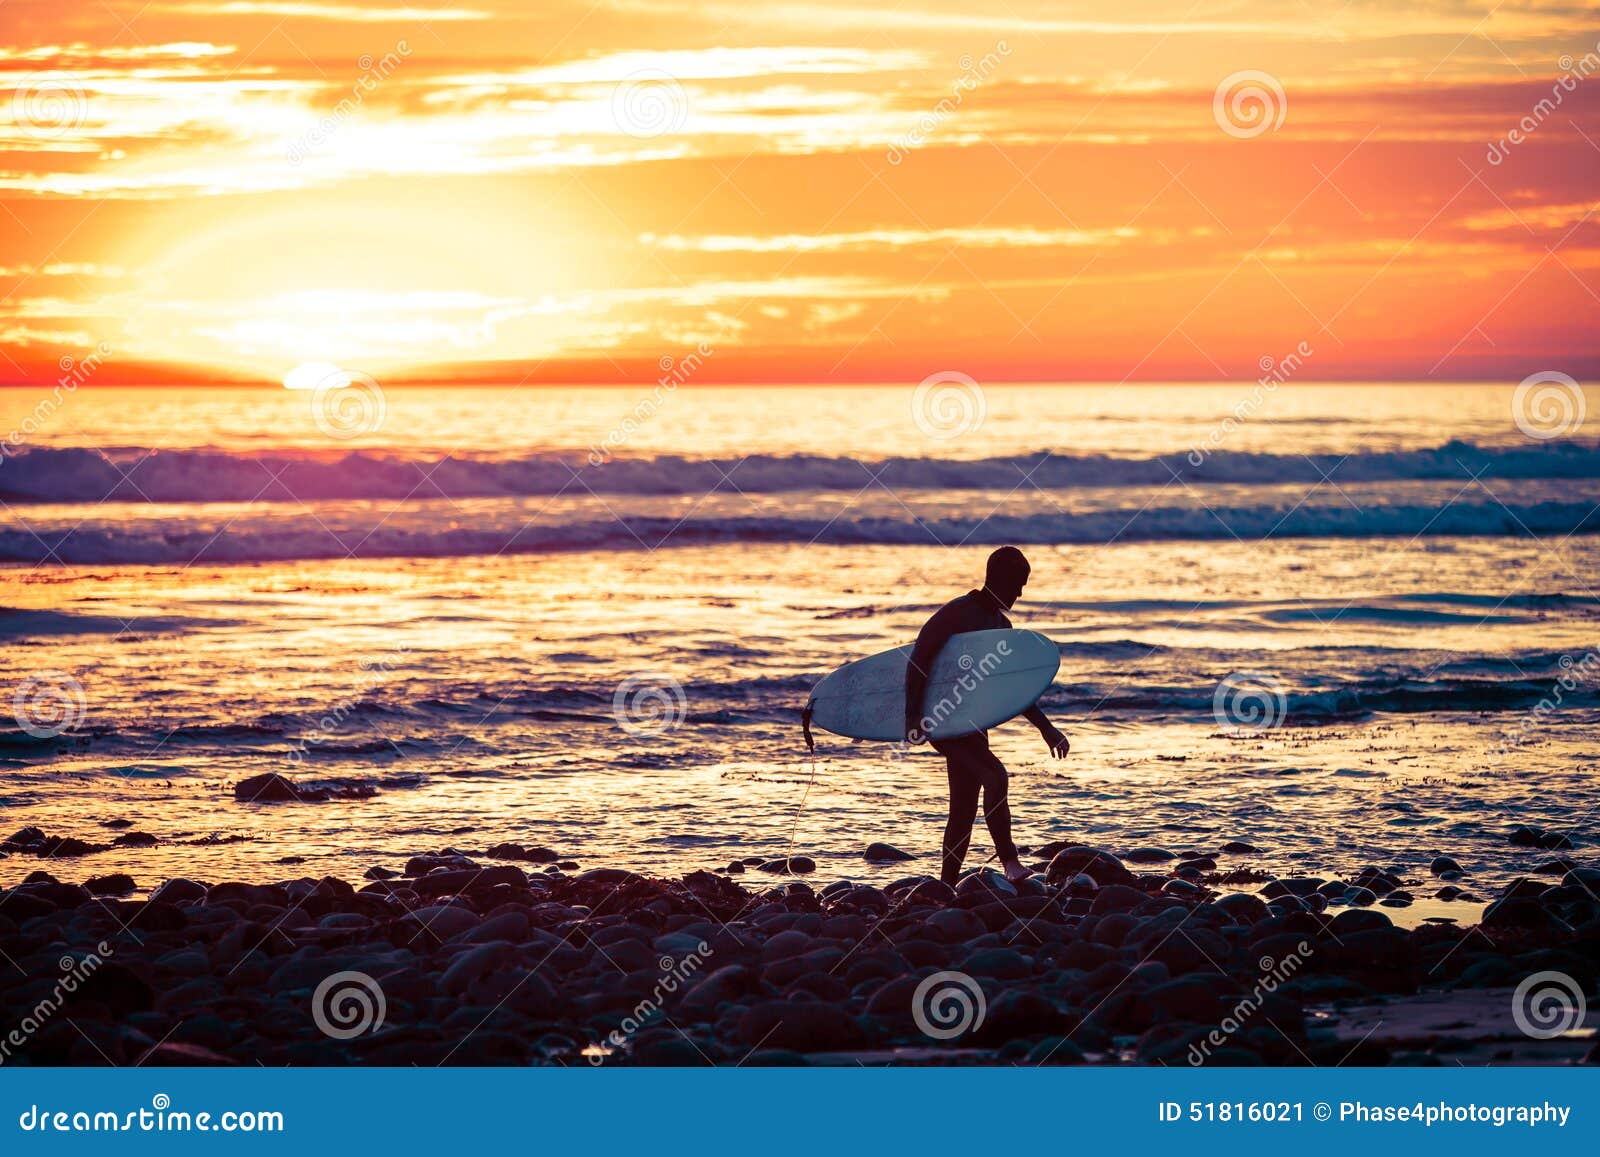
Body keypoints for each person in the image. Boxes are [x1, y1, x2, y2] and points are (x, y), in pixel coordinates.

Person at [904, 546, 1069, 885]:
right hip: (944, 721)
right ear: (999, 579)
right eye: (1018, 584)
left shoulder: (1000, 625)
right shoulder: (958, 613)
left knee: (963, 810)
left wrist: (1046, 729)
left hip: (973, 723)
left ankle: (947, 884)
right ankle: (1010, 861)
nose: (1021, 593)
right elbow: (919, 660)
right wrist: (913, 717)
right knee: (996, 777)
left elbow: (1013, 689)